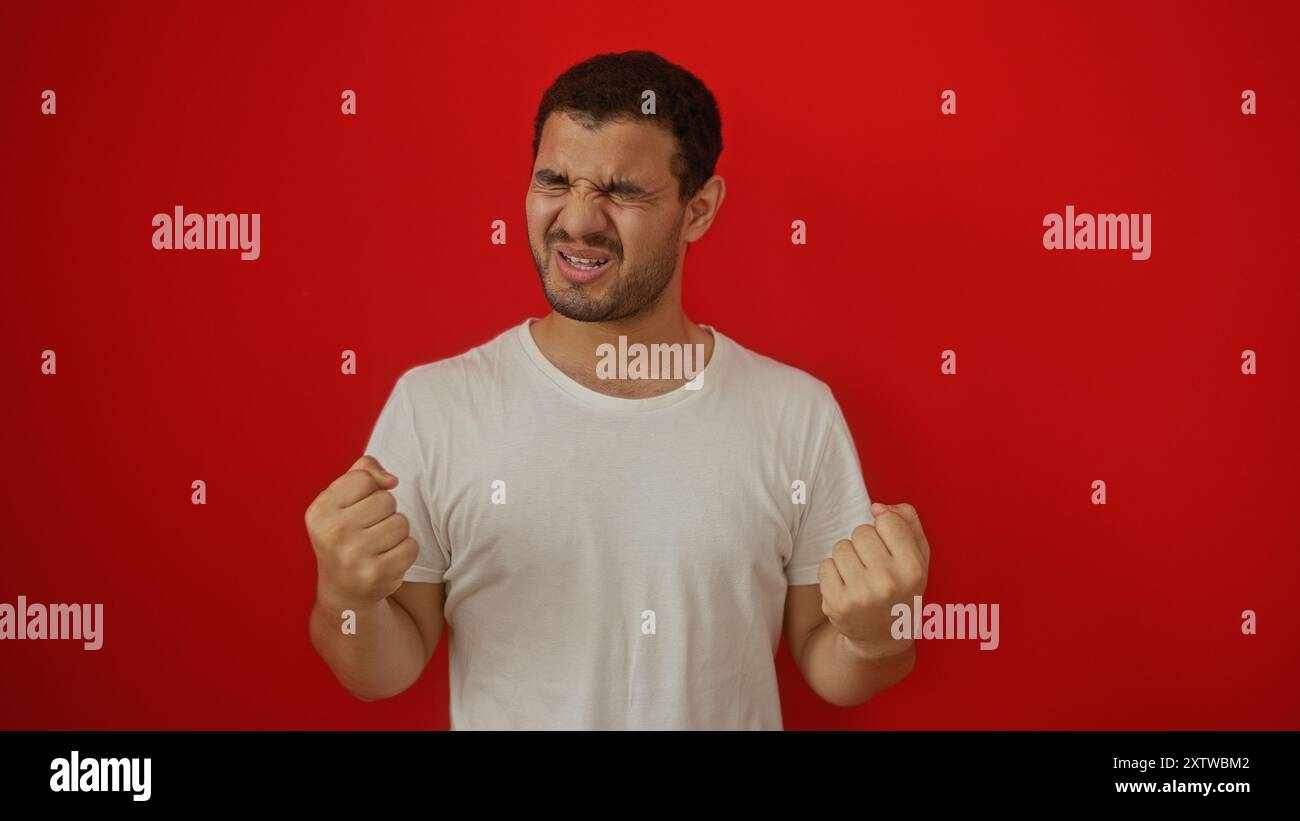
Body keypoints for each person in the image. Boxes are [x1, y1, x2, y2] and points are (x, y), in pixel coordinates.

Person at [305, 50, 932, 730]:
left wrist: (878, 634)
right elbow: (381, 671)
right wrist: (346, 595)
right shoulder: (435, 408)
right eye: (554, 181)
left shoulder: (795, 413)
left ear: (698, 210)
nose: (577, 221)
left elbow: (829, 663)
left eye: (622, 192)